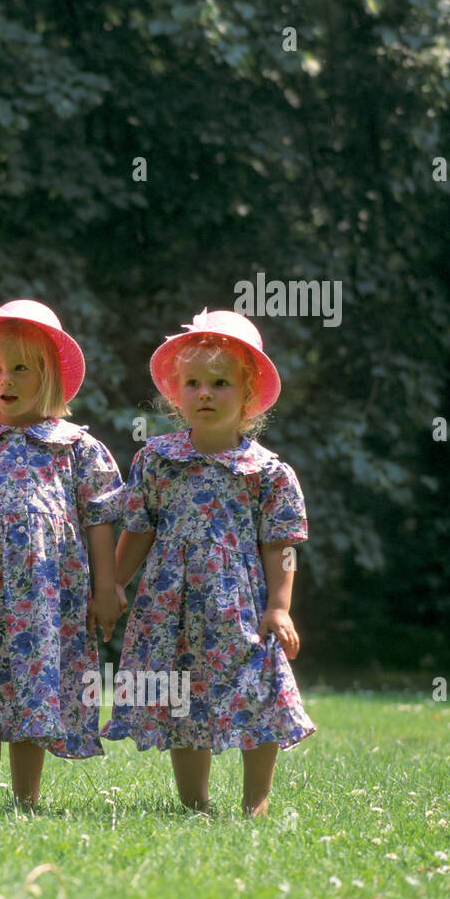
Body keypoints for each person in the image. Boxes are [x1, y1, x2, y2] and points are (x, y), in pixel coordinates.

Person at [101, 309, 314, 816]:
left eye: (219, 383)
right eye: (193, 383)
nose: (204, 393)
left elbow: (280, 545)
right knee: (181, 696)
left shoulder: (267, 472)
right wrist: (112, 586)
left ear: (247, 394)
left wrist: (280, 607)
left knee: (258, 691)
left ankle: (255, 801)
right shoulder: (156, 459)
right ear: (176, 393)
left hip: (239, 606)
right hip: (169, 605)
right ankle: (194, 802)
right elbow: (139, 529)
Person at [0, 300, 122, 809]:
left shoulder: (76, 447)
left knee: (35, 682)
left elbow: (99, 523)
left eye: (19, 369)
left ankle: (26, 798)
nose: (4, 380)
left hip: (50, 595)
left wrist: (106, 588)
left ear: (49, 376)